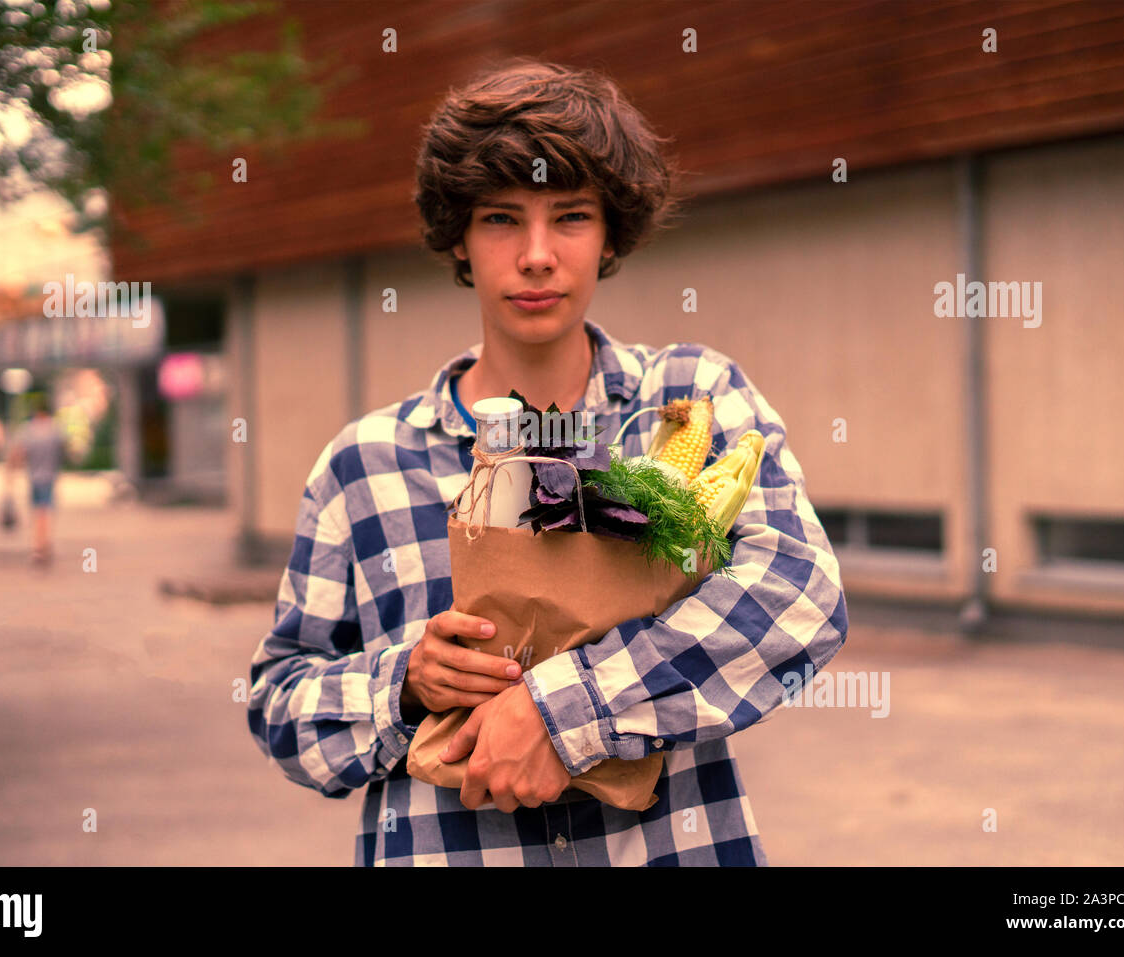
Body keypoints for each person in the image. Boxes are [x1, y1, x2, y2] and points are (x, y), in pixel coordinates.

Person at [247, 58, 849, 866]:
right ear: (457, 235)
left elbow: (798, 596)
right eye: (500, 218)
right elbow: (280, 704)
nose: (536, 255)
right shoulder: (363, 464)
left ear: (609, 236)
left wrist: (560, 711)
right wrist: (404, 682)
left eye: (570, 216)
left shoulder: (688, 403)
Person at [5, 393, 65, 565]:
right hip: (50, 477)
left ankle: (38, 547)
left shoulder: (28, 429)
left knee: (37, 512)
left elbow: (18, 453)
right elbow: (64, 450)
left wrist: (11, 475)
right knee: (45, 512)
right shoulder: (55, 429)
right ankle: (43, 544)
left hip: (34, 477)